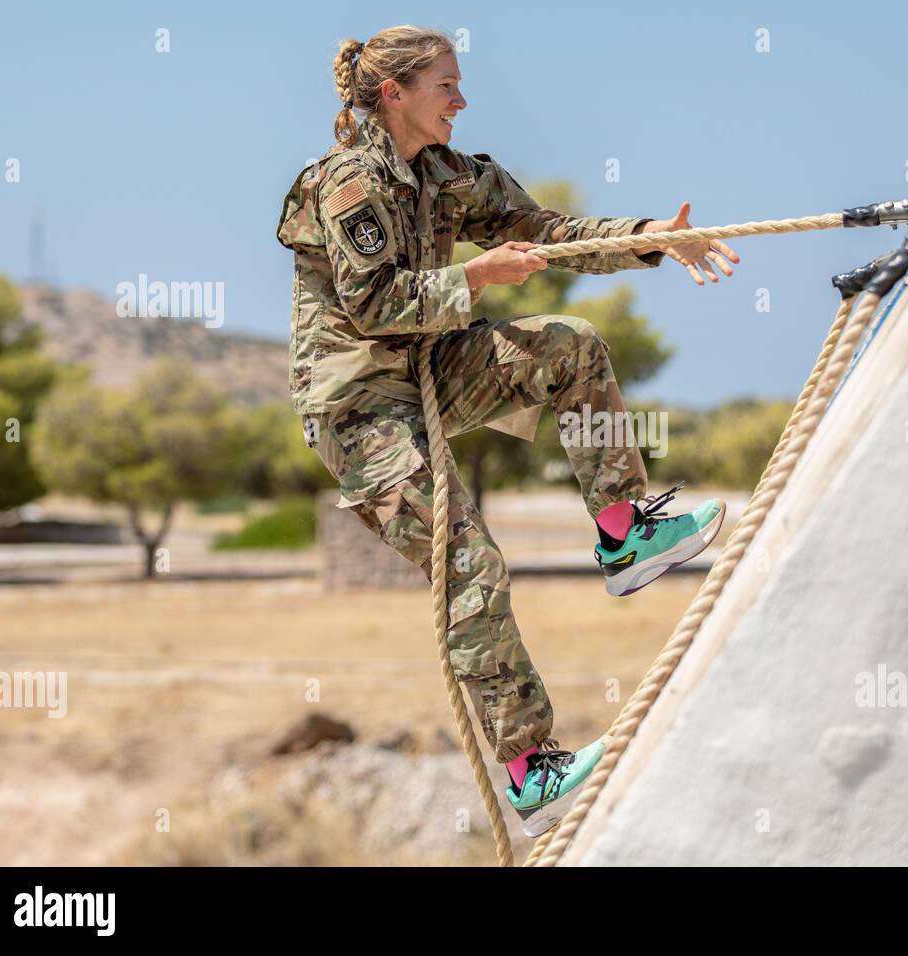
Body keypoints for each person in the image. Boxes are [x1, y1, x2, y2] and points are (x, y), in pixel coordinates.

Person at [275, 25, 741, 836]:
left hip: (426, 370)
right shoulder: (347, 182)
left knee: (571, 348)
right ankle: (532, 771)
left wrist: (649, 241)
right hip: (357, 406)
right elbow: (373, 307)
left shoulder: (450, 174)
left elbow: (548, 229)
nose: (462, 99)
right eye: (445, 85)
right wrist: (476, 276)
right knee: (468, 559)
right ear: (395, 94)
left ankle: (624, 532)